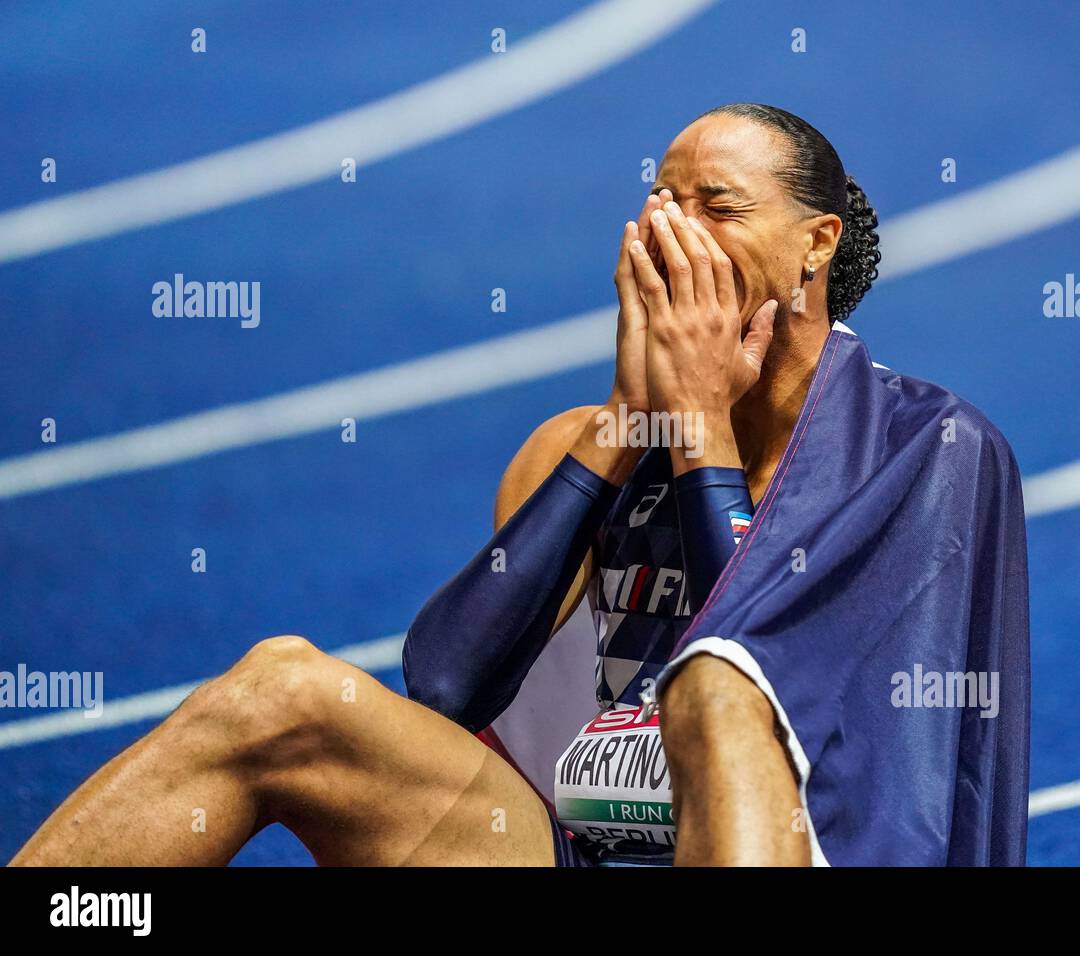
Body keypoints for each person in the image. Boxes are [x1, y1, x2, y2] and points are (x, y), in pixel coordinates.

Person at [10, 104, 1026, 868]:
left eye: (717, 208)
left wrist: (703, 427)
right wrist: (634, 428)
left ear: (815, 244)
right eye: (662, 205)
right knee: (283, 689)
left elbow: (761, 675)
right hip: (569, 847)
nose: (675, 236)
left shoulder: (927, 449)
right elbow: (448, 683)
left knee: (712, 691)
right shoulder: (581, 448)